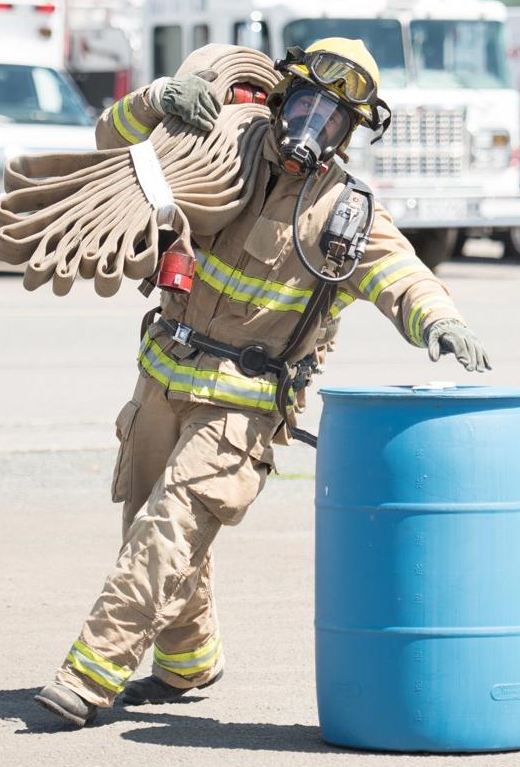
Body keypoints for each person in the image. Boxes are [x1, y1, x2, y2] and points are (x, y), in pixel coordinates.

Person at [33, 38, 491, 727]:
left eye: (333, 118)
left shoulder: (345, 213)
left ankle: (87, 676)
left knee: (170, 527)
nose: (313, 124)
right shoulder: (219, 140)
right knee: (147, 526)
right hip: (162, 378)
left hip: (240, 409)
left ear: (349, 133)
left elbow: (403, 275)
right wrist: (157, 99)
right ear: (281, 97)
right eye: (306, 102)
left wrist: (438, 322)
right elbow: (112, 145)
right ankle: (189, 660)